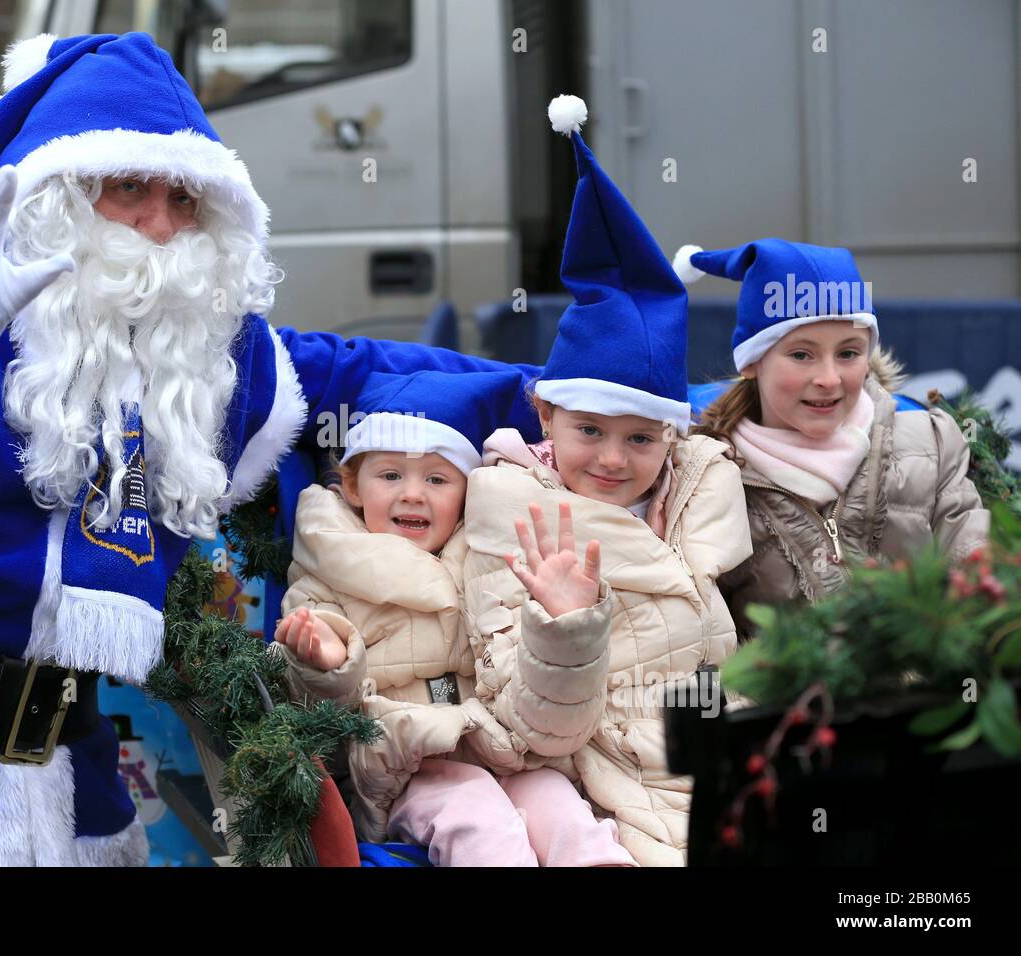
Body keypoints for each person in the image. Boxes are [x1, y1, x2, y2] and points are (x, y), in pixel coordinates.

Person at [0, 33, 537, 866]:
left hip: (57, 785)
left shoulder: (194, 342)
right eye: (129, 188)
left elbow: (357, 371)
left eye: (185, 199)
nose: (159, 227)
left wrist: (582, 397)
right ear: (51, 187)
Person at [460, 96, 753, 866]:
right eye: (590, 431)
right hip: (604, 774)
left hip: (723, 746)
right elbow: (525, 736)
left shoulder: (700, 490)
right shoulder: (511, 513)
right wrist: (565, 629)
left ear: (674, 434)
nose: (614, 461)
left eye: (640, 437)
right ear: (545, 414)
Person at [274, 369, 634, 866]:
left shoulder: (487, 554)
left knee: (561, 805)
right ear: (353, 487)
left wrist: (558, 617)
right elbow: (320, 726)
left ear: (467, 494)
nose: (413, 493)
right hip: (407, 763)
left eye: (437, 479)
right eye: (391, 475)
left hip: (501, 744)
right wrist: (327, 666)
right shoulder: (328, 565)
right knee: (477, 815)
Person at [677, 238, 991, 638]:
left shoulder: (931, 443)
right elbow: (697, 637)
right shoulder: (704, 471)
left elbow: (976, 574)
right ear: (753, 361)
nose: (828, 378)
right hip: (781, 700)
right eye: (802, 355)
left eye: (848, 353)